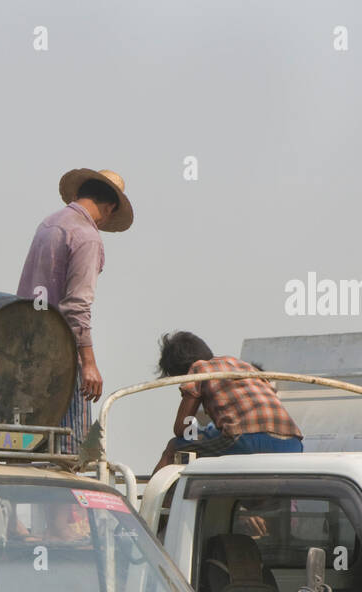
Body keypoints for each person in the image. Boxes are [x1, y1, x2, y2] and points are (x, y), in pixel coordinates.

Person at [18, 168, 133, 454]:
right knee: (70, 450)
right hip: (61, 352)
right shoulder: (86, 236)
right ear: (109, 208)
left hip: (24, 343)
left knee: (28, 444)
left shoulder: (50, 223)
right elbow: (77, 307)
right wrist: (89, 364)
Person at [152, 331, 303, 474]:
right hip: (292, 443)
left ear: (183, 372)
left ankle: (150, 499)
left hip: (246, 439)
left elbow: (182, 427)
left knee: (174, 447)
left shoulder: (199, 368)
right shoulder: (243, 365)